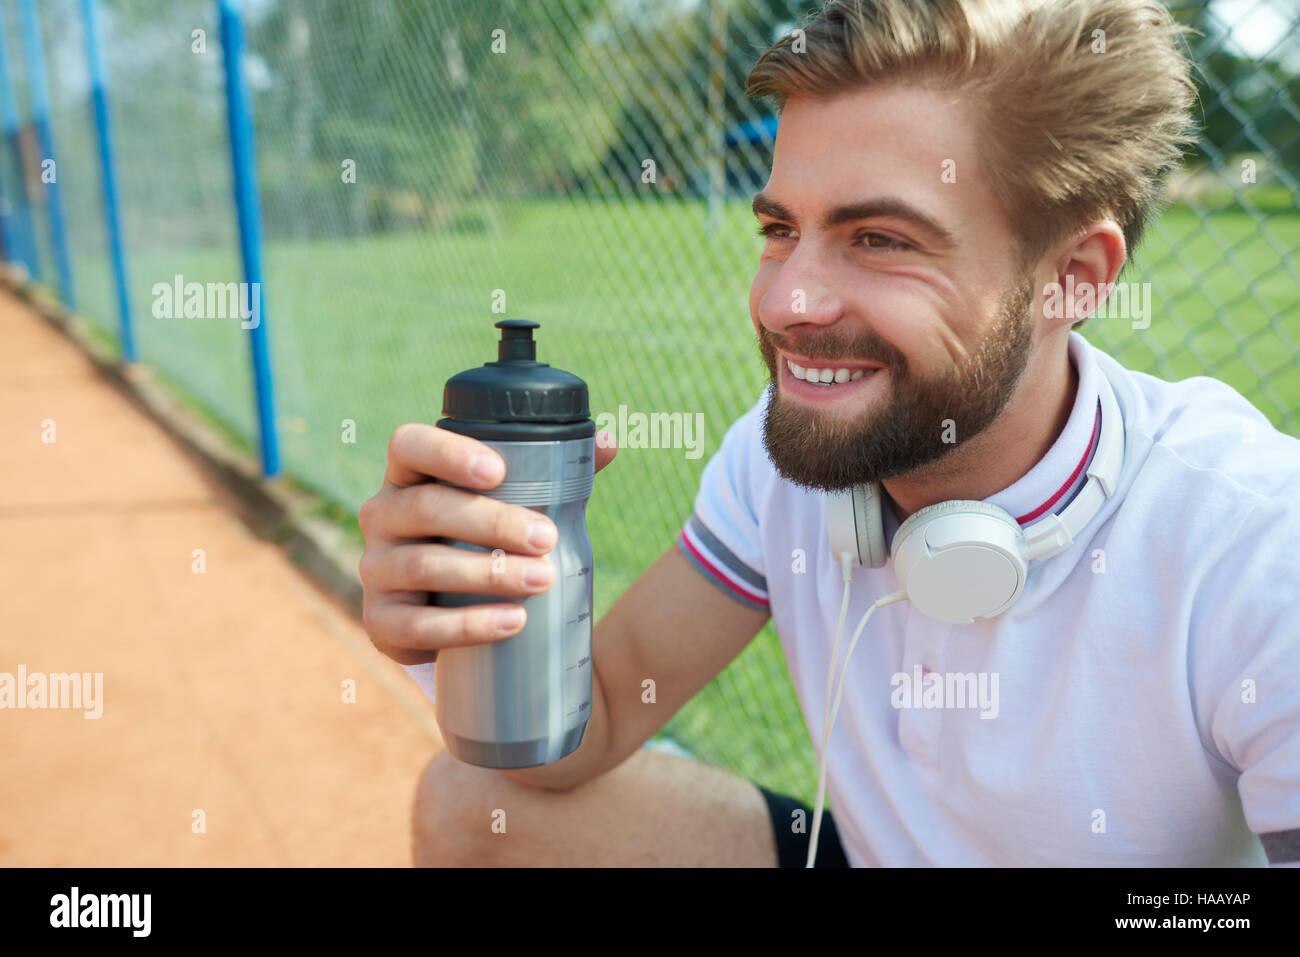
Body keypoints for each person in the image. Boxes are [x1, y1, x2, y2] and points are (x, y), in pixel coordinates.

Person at [357, 0, 1300, 866]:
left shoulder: (1256, 543)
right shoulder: (784, 460)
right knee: (475, 802)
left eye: (880, 239)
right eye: (780, 229)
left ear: (1076, 276)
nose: (785, 301)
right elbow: (592, 722)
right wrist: (468, 619)